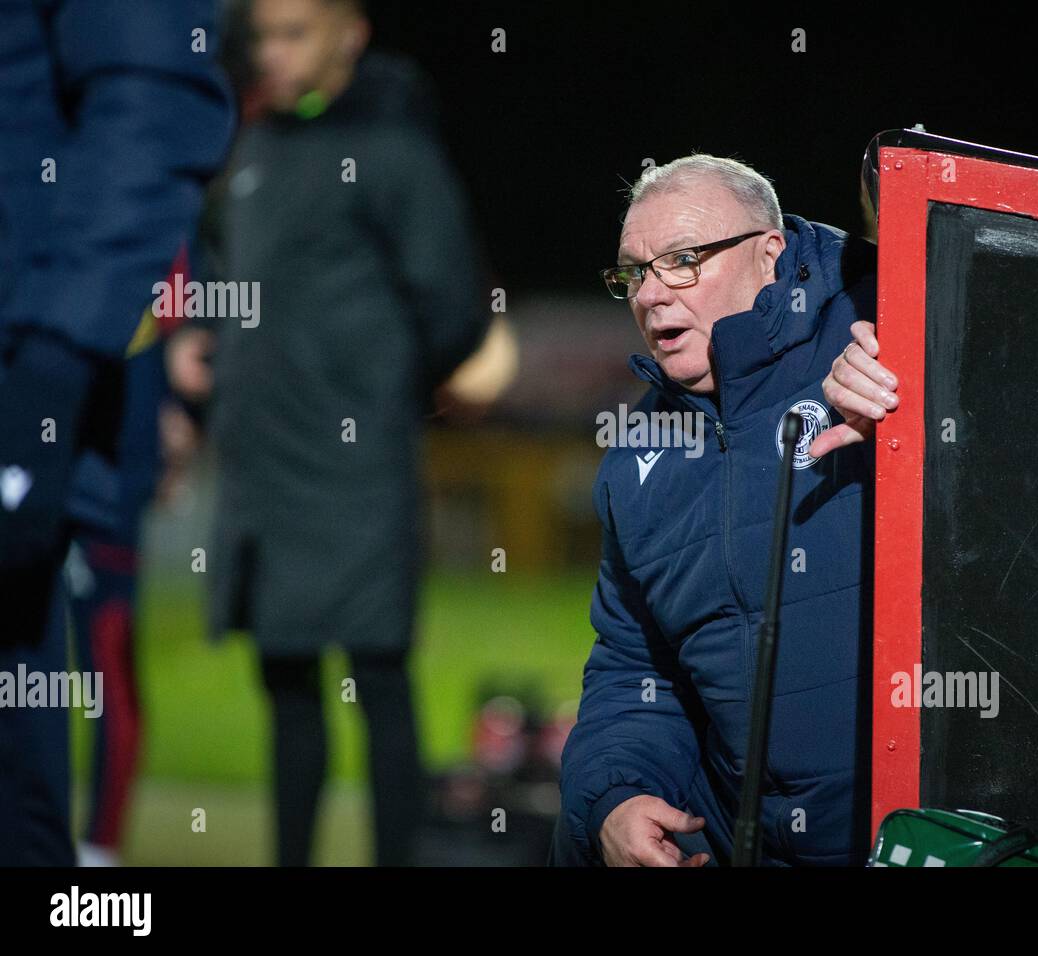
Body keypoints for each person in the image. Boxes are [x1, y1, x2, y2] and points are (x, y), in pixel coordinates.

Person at [167, 0, 488, 866]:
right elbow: (228, 280)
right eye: (261, 35)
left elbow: (455, 306)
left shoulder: (396, 148)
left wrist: (378, 390)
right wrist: (203, 342)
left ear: (351, 32)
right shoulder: (255, 145)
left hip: (357, 462)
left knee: (379, 674)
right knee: (285, 680)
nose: (270, 52)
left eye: (293, 32)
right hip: (262, 461)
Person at [553, 154, 900, 866]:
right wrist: (617, 796)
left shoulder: (884, 327)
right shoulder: (636, 461)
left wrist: (915, 413)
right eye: (634, 273)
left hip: (909, 820)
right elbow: (632, 666)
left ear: (768, 254)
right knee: (580, 842)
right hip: (745, 830)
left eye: (682, 260)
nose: (650, 295)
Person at [0, 0, 234, 866]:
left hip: (83, 425)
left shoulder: (134, 193)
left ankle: (101, 855)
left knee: (100, 649)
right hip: (80, 406)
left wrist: (166, 406)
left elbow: (174, 297)